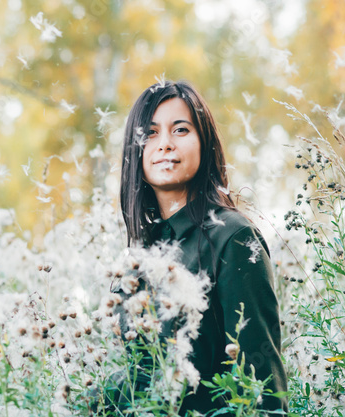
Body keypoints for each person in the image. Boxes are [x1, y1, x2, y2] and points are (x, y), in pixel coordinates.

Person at [115, 80, 287, 415]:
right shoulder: (137, 258)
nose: (165, 144)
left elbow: (262, 389)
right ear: (134, 150)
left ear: (204, 142)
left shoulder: (234, 238)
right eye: (150, 133)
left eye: (180, 130)